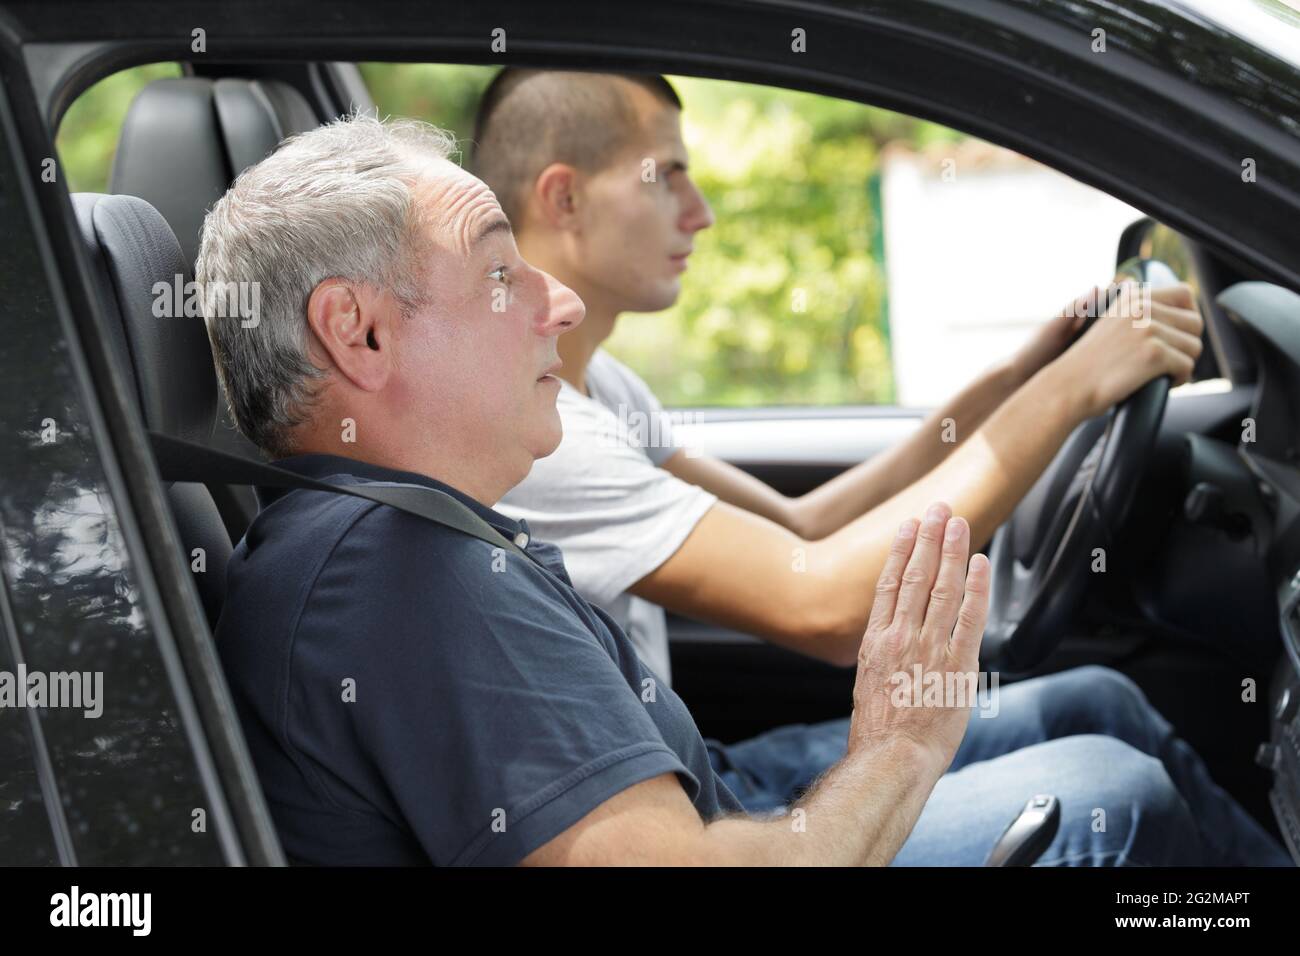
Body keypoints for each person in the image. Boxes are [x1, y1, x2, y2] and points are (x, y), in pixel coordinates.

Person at [198, 112, 1282, 865]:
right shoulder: (402, 578)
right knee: (1115, 797)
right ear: (362, 330)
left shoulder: (377, 538)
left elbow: (798, 528)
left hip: (707, 788)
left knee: (1095, 714)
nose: (555, 303)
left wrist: (1023, 375)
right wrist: (898, 748)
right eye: (498, 271)